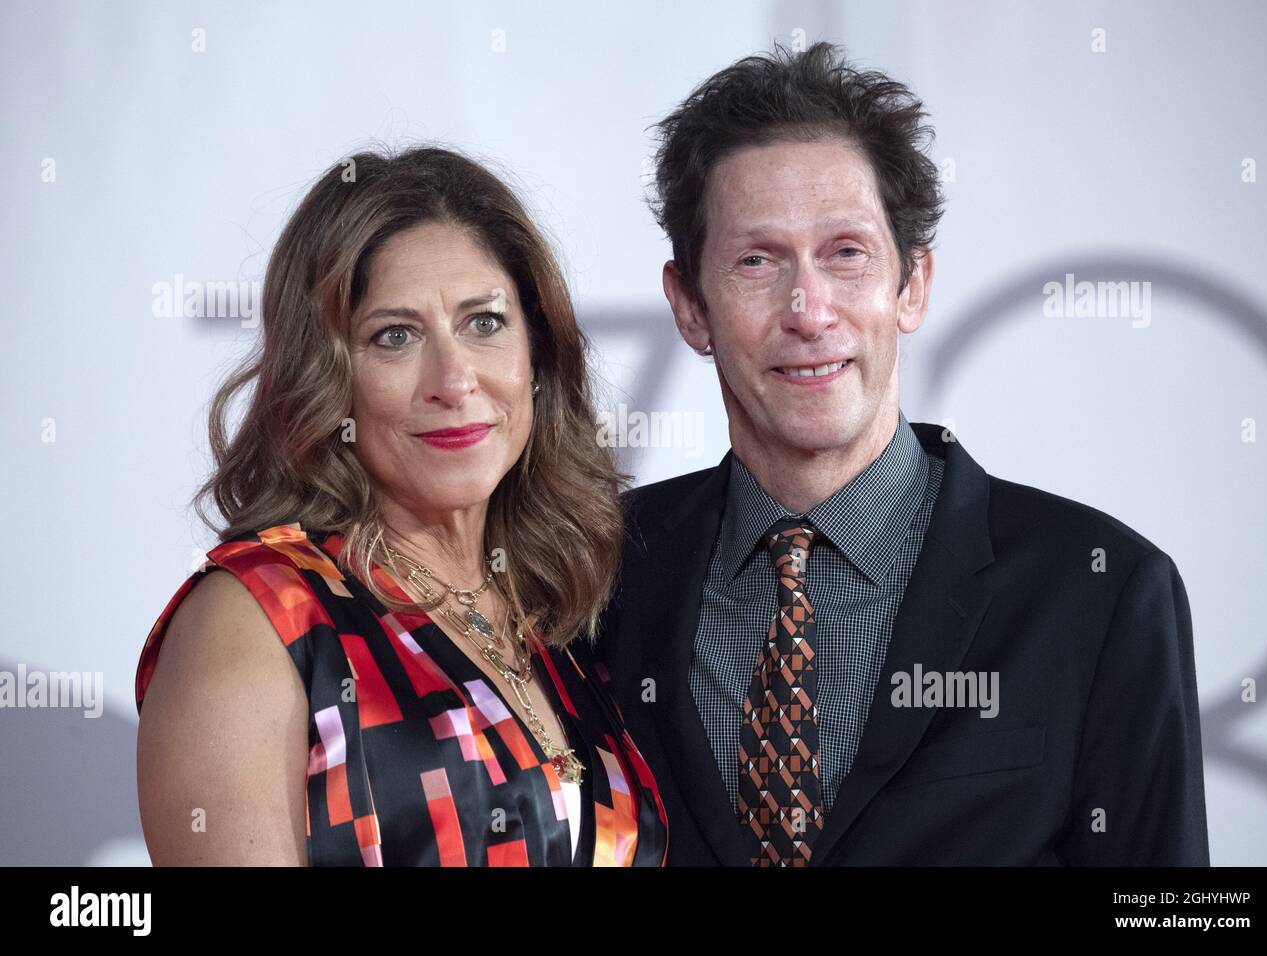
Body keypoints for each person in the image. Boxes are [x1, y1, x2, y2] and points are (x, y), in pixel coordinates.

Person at [596, 42, 1210, 866]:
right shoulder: (598, 573)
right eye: (756, 261)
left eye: (846, 253)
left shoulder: (1100, 592)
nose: (808, 310)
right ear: (690, 308)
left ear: (912, 285)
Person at [135, 145, 667, 866]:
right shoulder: (258, 619)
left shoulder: (559, 612)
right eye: (395, 337)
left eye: (484, 323)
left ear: (536, 352)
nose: (454, 380)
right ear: (326, 376)